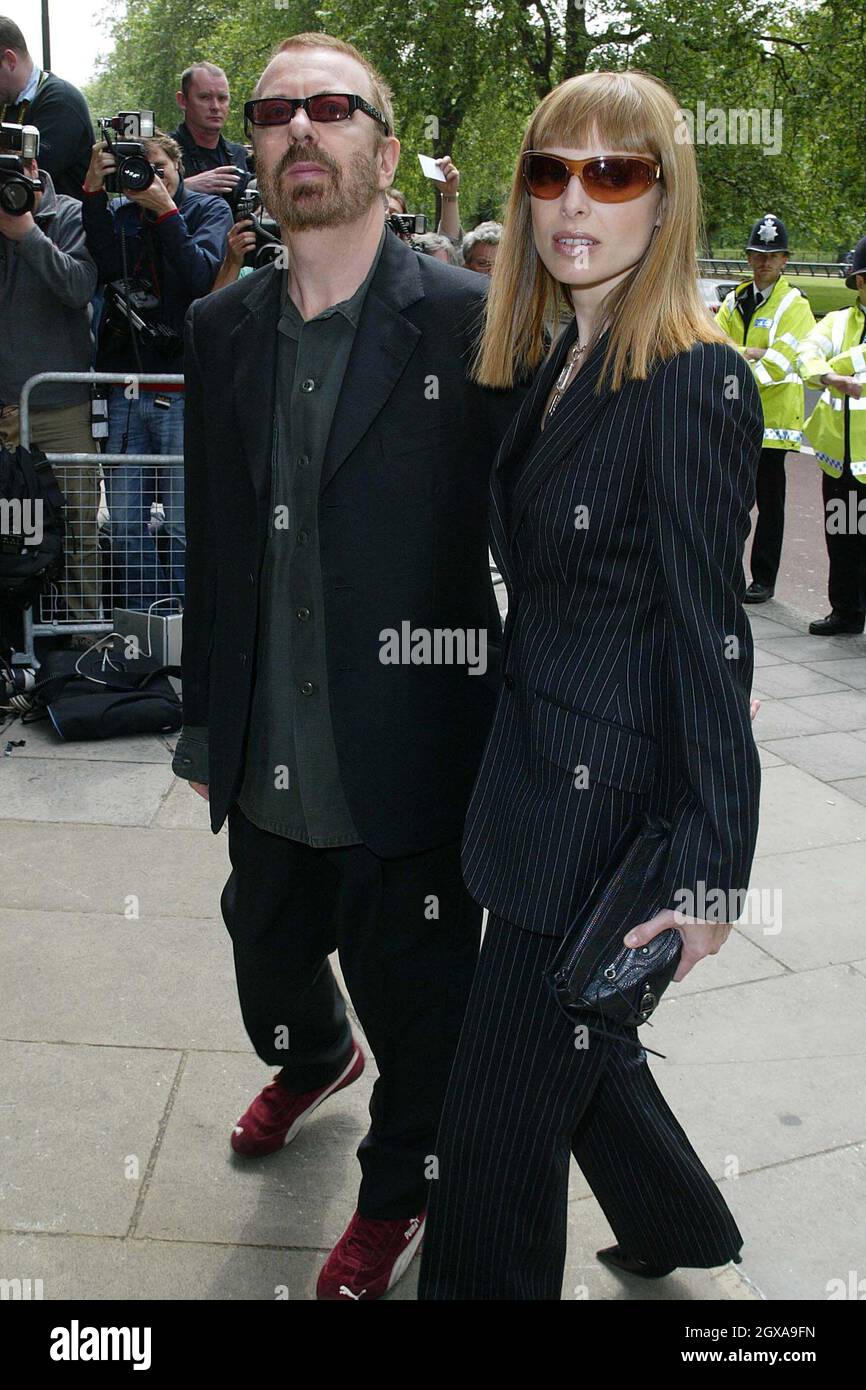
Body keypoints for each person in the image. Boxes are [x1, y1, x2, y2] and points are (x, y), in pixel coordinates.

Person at [170, 30, 525, 1300]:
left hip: (412, 746)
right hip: (264, 731)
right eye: (273, 111)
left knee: (417, 996)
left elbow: (531, 536)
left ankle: (394, 1194)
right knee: (261, 948)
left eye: (333, 107)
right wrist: (202, 711)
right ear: (251, 145)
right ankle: (314, 1051)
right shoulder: (220, 328)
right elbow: (220, 540)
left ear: (384, 144)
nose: (299, 129)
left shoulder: (472, 323)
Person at [417, 68, 763, 1301]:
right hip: (533, 776)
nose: (574, 200)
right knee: (583, 1037)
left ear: (663, 202)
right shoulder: (564, 349)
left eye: (612, 173)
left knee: (491, 1141)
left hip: (598, 810)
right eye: (549, 170)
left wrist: (713, 867)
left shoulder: (688, 376)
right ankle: (678, 1219)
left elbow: (709, 632)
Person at [81, 130, 232, 612]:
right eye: (139, 170)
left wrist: (166, 210)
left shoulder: (208, 211)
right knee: (126, 522)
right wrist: (91, 191)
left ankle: (192, 630)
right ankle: (147, 627)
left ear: (178, 167)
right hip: (124, 387)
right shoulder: (123, 215)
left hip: (181, 389)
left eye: (159, 169)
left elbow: (202, 278)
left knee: (186, 521)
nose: (148, 179)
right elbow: (103, 266)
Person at [0, 133, 100, 636]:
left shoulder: (70, 215)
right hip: (5, 409)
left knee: (80, 528)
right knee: (12, 534)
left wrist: (27, 234)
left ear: (33, 163)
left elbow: (80, 287)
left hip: (60, 406)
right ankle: (16, 644)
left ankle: (83, 639)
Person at [715, 215, 816, 603]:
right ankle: (729, 573)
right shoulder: (734, 298)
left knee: (769, 507)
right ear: (748, 257)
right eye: (758, 255)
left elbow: (778, 365)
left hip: (773, 424)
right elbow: (714, 349)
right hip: (735, 421)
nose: (764, 263)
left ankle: (764, 580)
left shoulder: (795, 304)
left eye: (773, 256)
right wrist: (750, 353)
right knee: (731, 502)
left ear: (786, 260)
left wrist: (739, 356)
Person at [794, 235, 866, 636]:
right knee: (844, 535)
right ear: (858, 282)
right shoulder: (838, 321)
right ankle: (847, 613)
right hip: (840, 458)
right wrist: (827, 376)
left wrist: (838, 366)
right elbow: (806, 353)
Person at [0, 16, 94, 200]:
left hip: (62, 225)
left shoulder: (61, 101)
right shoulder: (8, 100)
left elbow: (30, 174)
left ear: (10, 60)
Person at [170, 62, 253, 201]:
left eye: (222, 98)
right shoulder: (164, 153)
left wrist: (256, 213)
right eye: (205, 97)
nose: (215, 107)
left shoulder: (239, 155)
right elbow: (139, 201)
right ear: (183, 101)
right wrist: (186, 188)